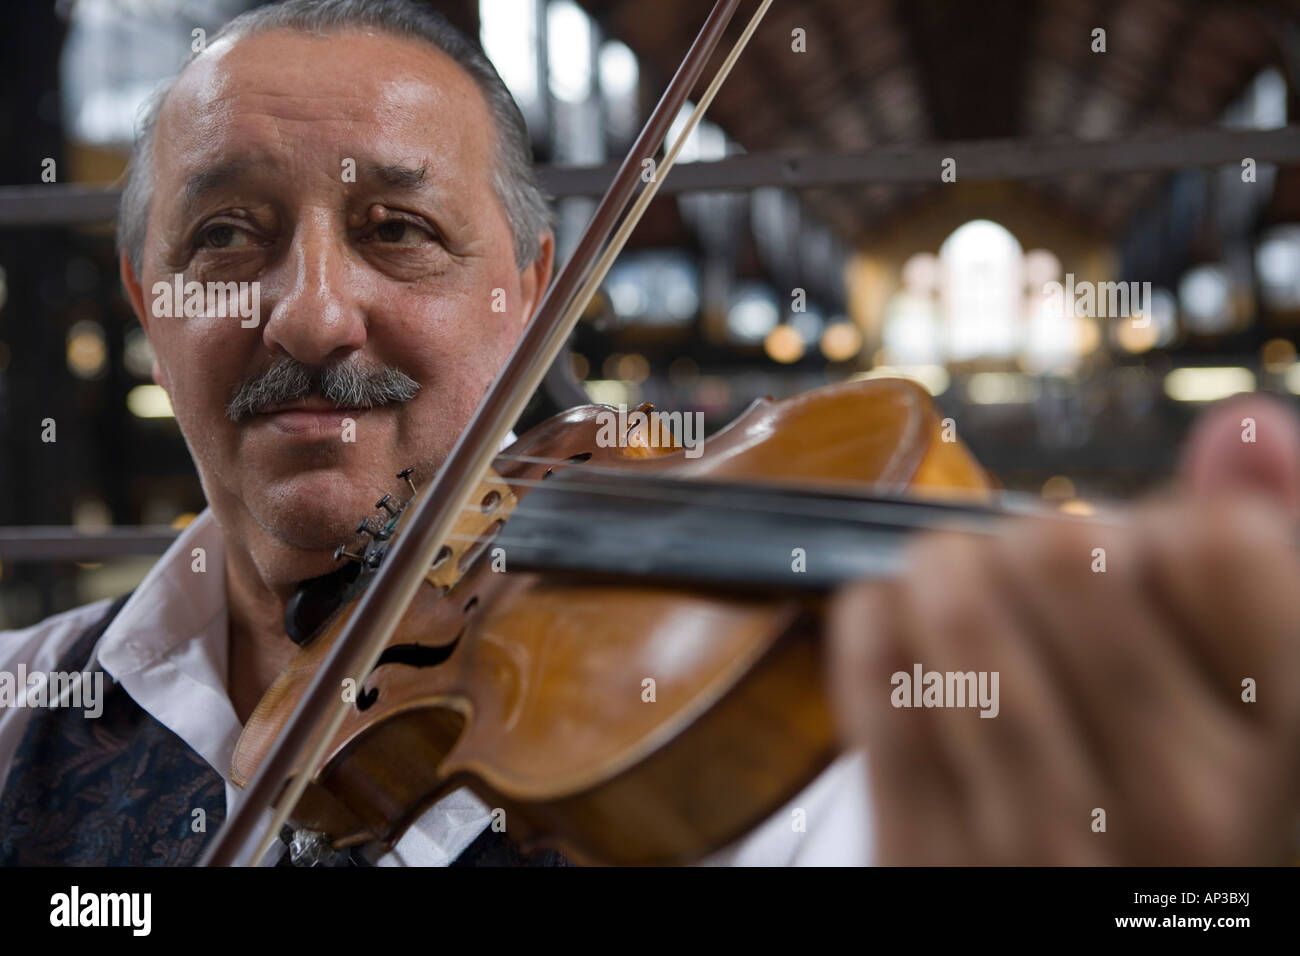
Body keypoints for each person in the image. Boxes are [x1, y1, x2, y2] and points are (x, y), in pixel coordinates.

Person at [2, 0, 1298, 866]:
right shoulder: (18, 714)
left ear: (530, 294)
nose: (313, 315)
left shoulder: (797, 788)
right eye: (226, 237)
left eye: (399, 230)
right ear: (149, 303)